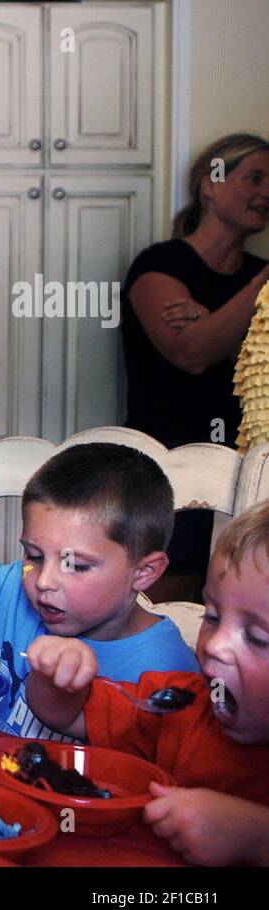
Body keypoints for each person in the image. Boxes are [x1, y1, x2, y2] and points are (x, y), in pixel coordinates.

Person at [0, 444, 199, 739]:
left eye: (76, 565)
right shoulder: (10, 591)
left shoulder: (168, 671)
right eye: (34, 555)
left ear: (144, 572)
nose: (44, 580)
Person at [25, 500, 269, 866]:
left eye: (258, 638)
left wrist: (256, 838)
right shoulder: (179, 708)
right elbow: (66, 716)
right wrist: (54, 679)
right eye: (213, 616)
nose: (215, 645)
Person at [123, 133, 269, 602]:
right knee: (165, 610)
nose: (266, 192)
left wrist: (212, 323)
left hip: (248, 470)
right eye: (254, 178)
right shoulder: (160, 265)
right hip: (167, 473)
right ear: (211, 183)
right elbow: (191, 353)